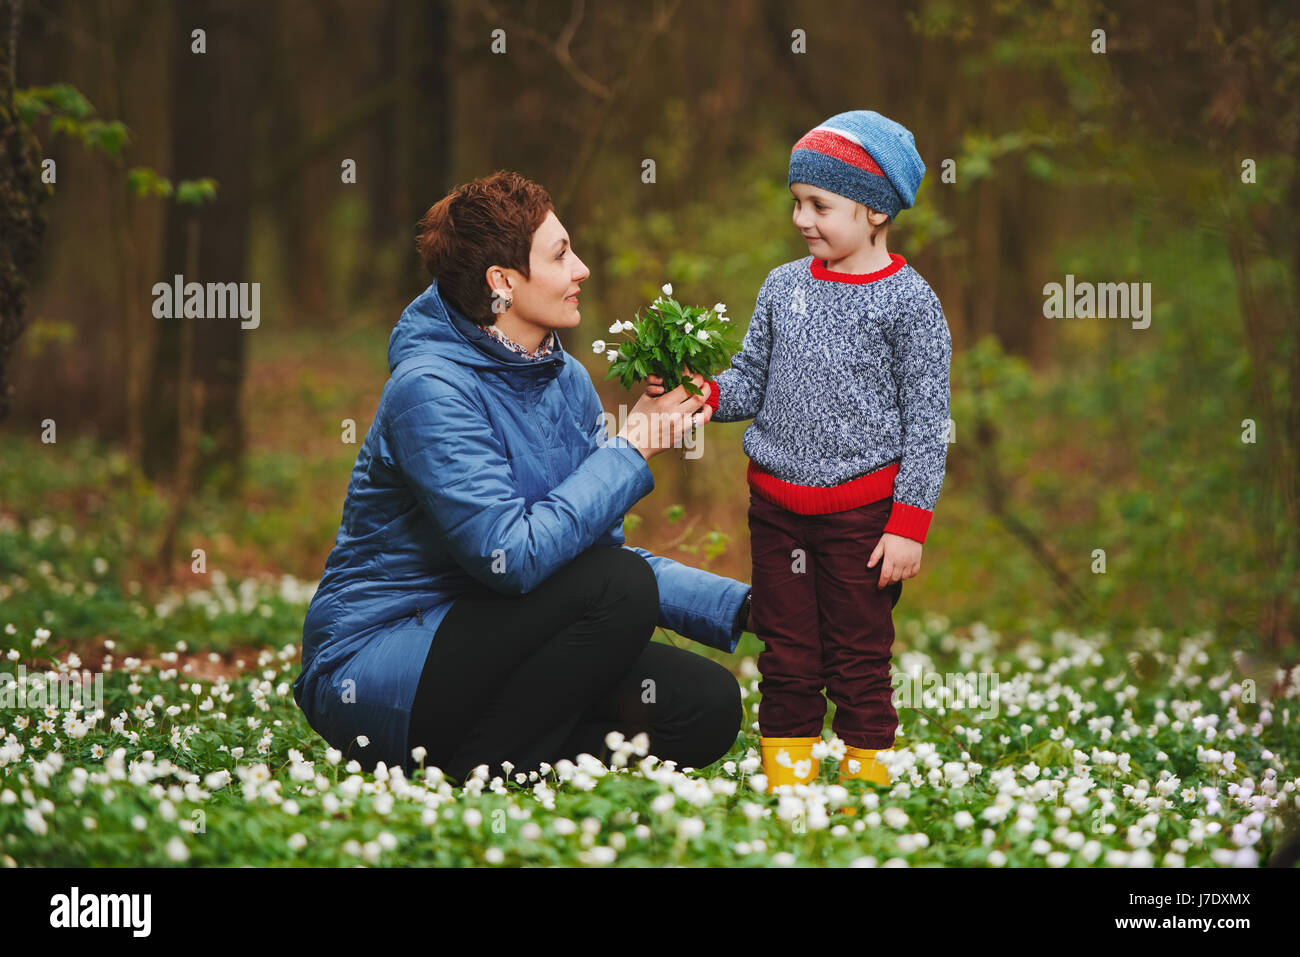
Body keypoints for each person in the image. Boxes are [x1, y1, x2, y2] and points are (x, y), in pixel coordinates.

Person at [292, 170, 754, 785]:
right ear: (503, 284)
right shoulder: (429, 390)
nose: (581, 268)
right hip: (383, 661)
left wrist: (748, 609)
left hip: (498, 644)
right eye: (561, 254)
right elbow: (509, 553)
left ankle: (505, 760)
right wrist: (633, 447)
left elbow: (590, 556)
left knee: (705, 705)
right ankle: (488, 775)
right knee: (618, 586)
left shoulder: (567, 381)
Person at [650, 110, 952, 792]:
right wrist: (700, 392)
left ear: (875, 208)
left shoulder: (910, 304)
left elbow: (929, 424)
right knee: (786, 656)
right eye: (797, 203)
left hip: (864, 519)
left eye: (819, 204)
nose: (802, 219)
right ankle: (789, 792)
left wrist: (910, 522)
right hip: (777, 508)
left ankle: (863, 796)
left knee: (858, 660)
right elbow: (750, 379)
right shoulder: (785, 287)